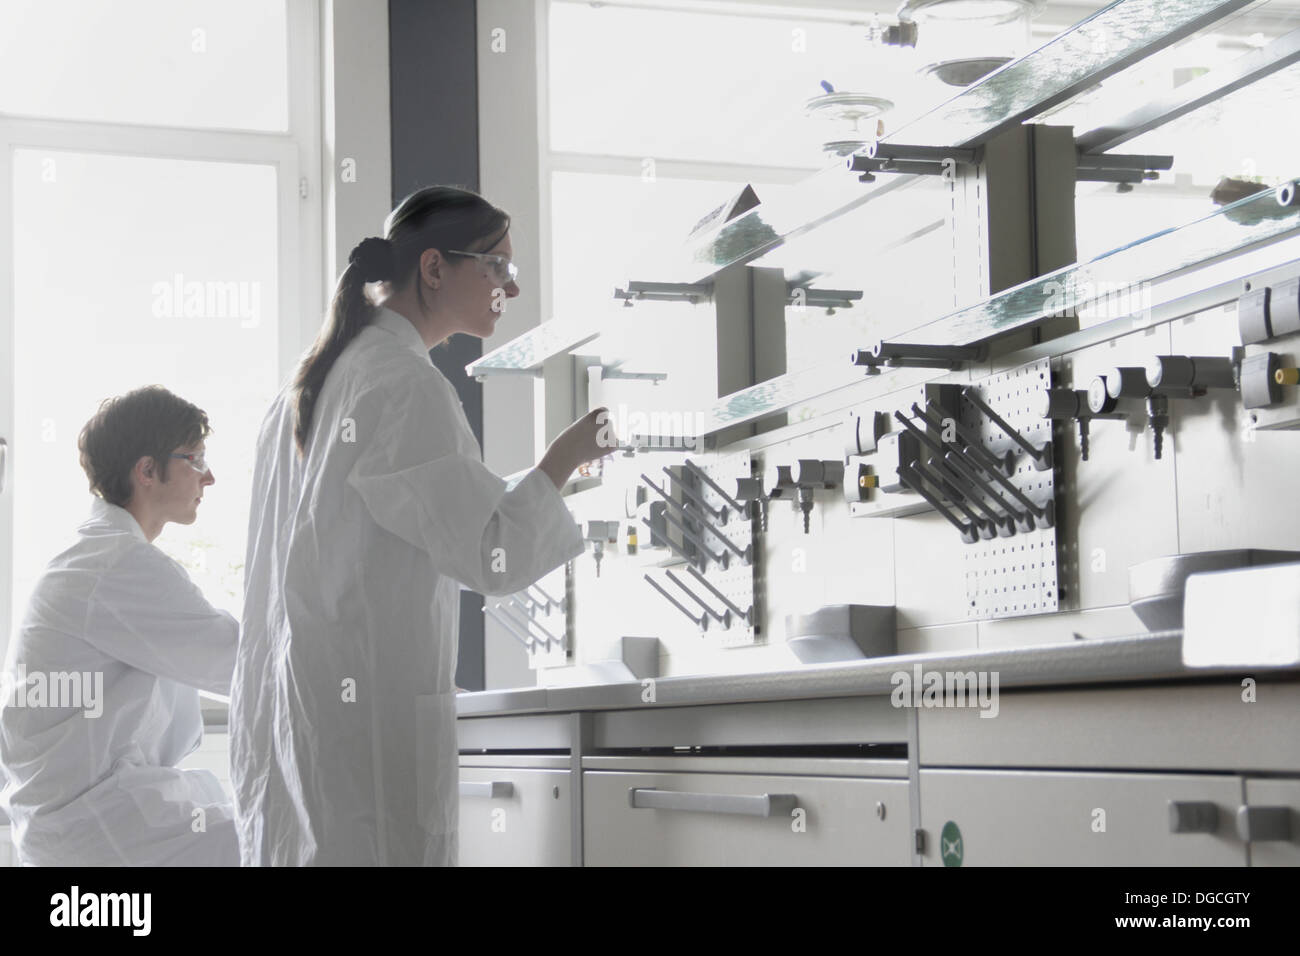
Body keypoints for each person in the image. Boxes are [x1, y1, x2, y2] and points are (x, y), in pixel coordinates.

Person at [232, 186, 613, 866]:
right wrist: (564, 459)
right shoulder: (402, 384)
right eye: (496, 267)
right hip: (363, 747)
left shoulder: (308, 387)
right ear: (435, 268)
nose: (511, 287)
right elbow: (492, 554)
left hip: (308, 739)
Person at [0, 386, 240, 866]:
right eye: (195, 459)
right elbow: (240, 660)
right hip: (95, 827)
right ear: (147, 471)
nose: (209, 477)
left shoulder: (102, 555)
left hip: (82, 820)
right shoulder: (116, 565)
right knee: (289, 839)